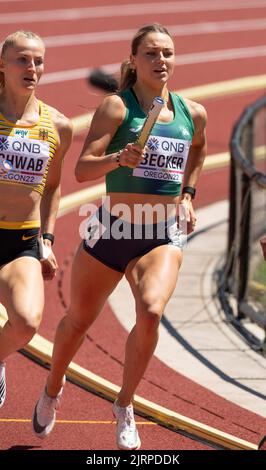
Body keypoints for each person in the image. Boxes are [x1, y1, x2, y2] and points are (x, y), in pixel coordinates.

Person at [32, 23, 207, 449]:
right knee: (78, 321)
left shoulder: (192, 112)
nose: (160, 61)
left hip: (161, 233)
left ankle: (124, 403)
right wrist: (118, 158)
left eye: (166, 52)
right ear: (134, 60)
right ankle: (53, 387)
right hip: (114, 229)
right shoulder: (116, 108)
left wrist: (187, 194)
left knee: (149, 311)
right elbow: (81, 170)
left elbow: (198, 148)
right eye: (151, 53)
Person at [0, 31, 73, 408]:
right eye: (22, 60)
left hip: (21, 241)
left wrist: (48, 240)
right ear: (2, 64)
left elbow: (54, 186)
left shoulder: (57, 125)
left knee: (27, 323)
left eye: (38, 61)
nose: (32, 68)